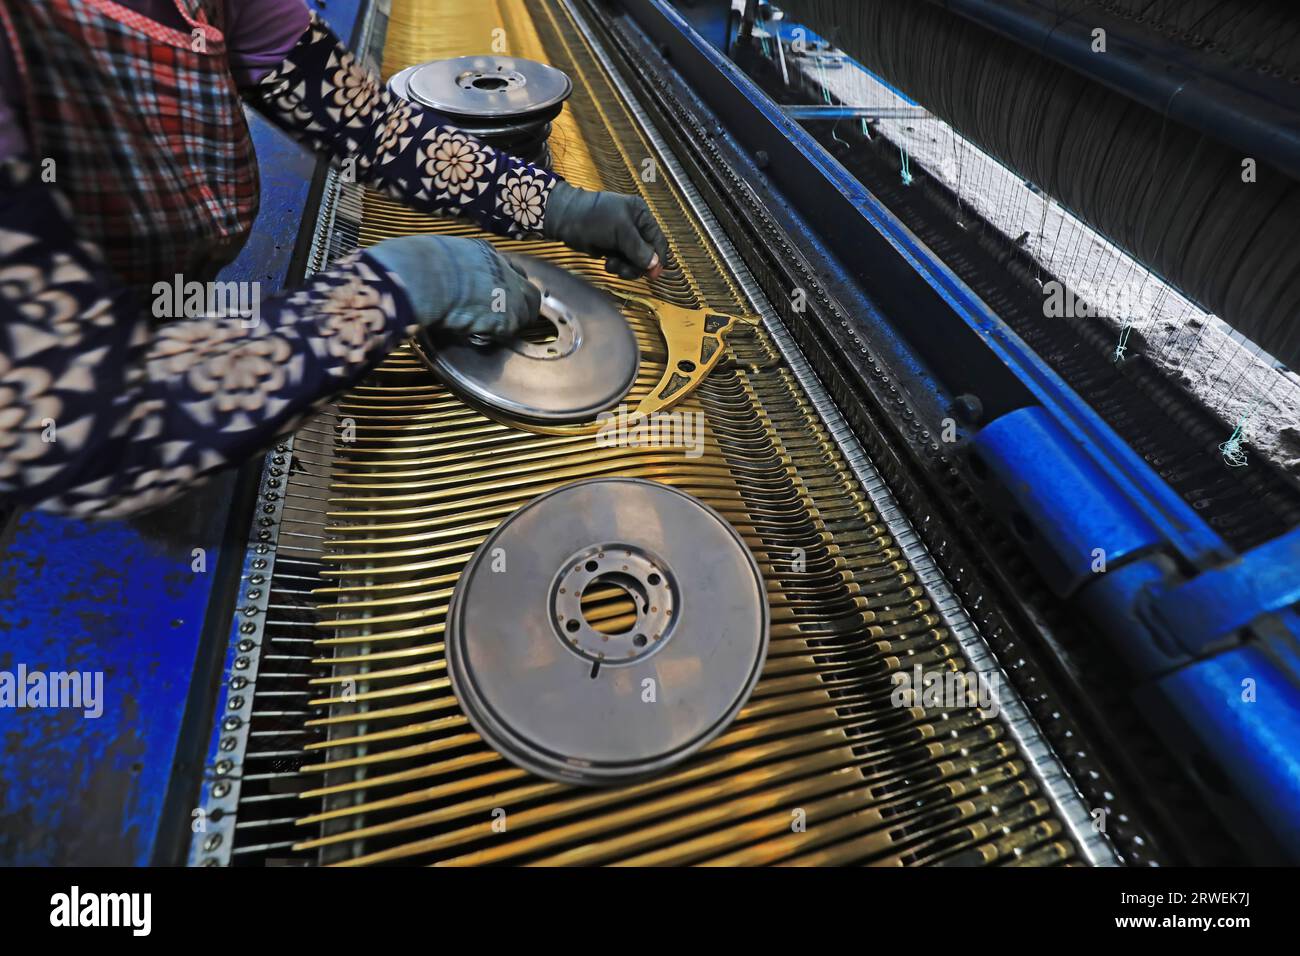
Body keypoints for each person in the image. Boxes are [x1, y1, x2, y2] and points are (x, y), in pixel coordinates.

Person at [0, 0, 668, 518]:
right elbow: (81, 428)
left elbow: (367, 125)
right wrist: (395, 289)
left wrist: (552, 203)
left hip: (158, 298)